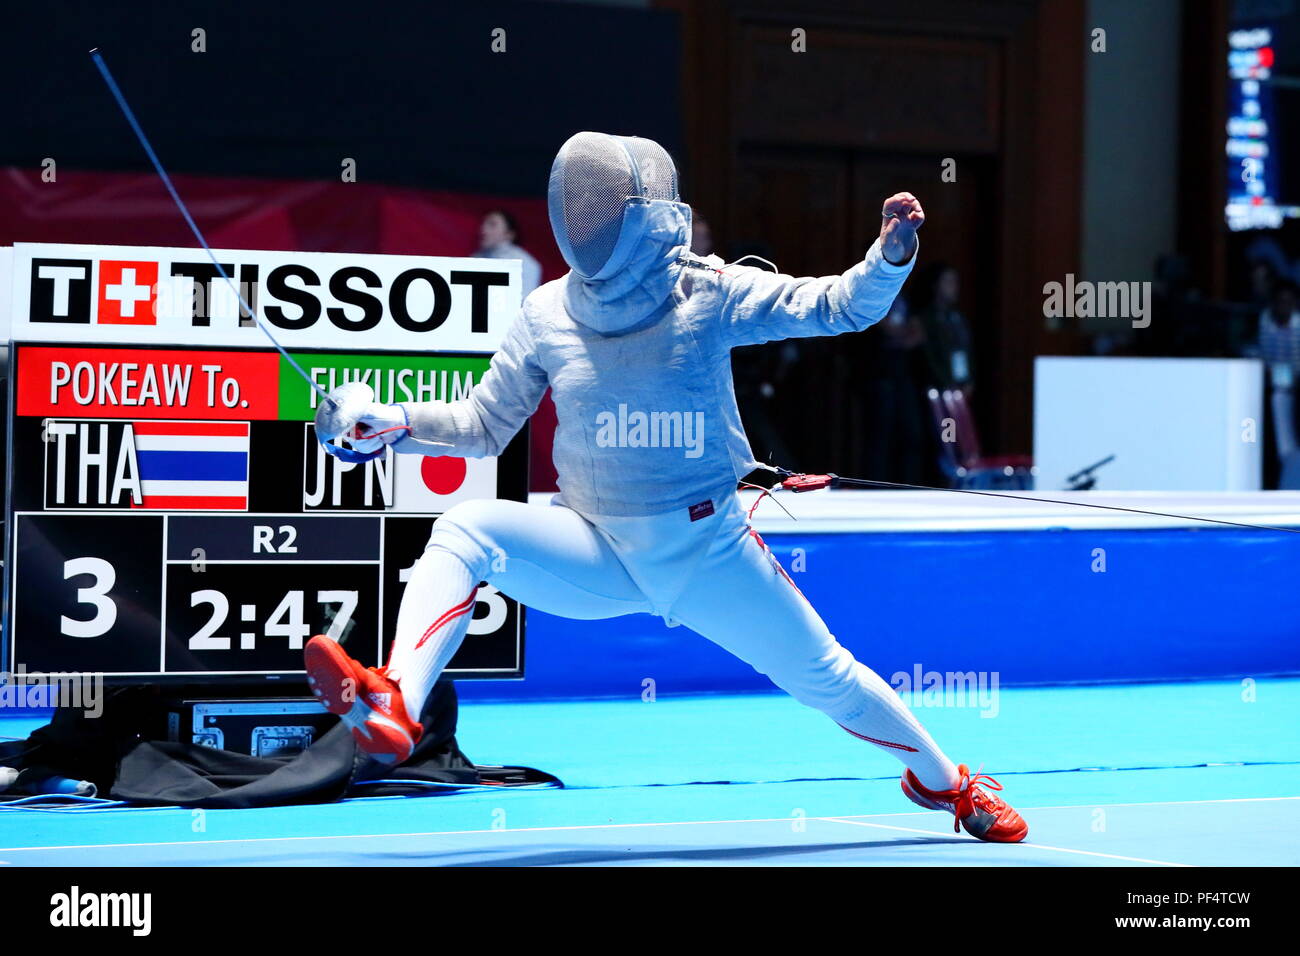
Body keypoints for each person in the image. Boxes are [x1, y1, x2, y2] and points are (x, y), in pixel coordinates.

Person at [303, 132, 1027, 843]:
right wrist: (394, 420)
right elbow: (485, 422)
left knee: (829, 678)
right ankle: (396, 699)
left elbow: (840, 306)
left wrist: (889, 255)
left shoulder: (710, 293)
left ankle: (948, 784)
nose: (589, 219)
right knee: (465, 529)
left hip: (706, 549)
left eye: (602, 206)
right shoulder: (547, 312)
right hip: (594, 548)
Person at [475, 208, 542, 295]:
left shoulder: (525, 264)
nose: (483, 230)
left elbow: (525, 303)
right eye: (483, 224)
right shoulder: (477, 257)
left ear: (509, 234)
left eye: (492, 225)